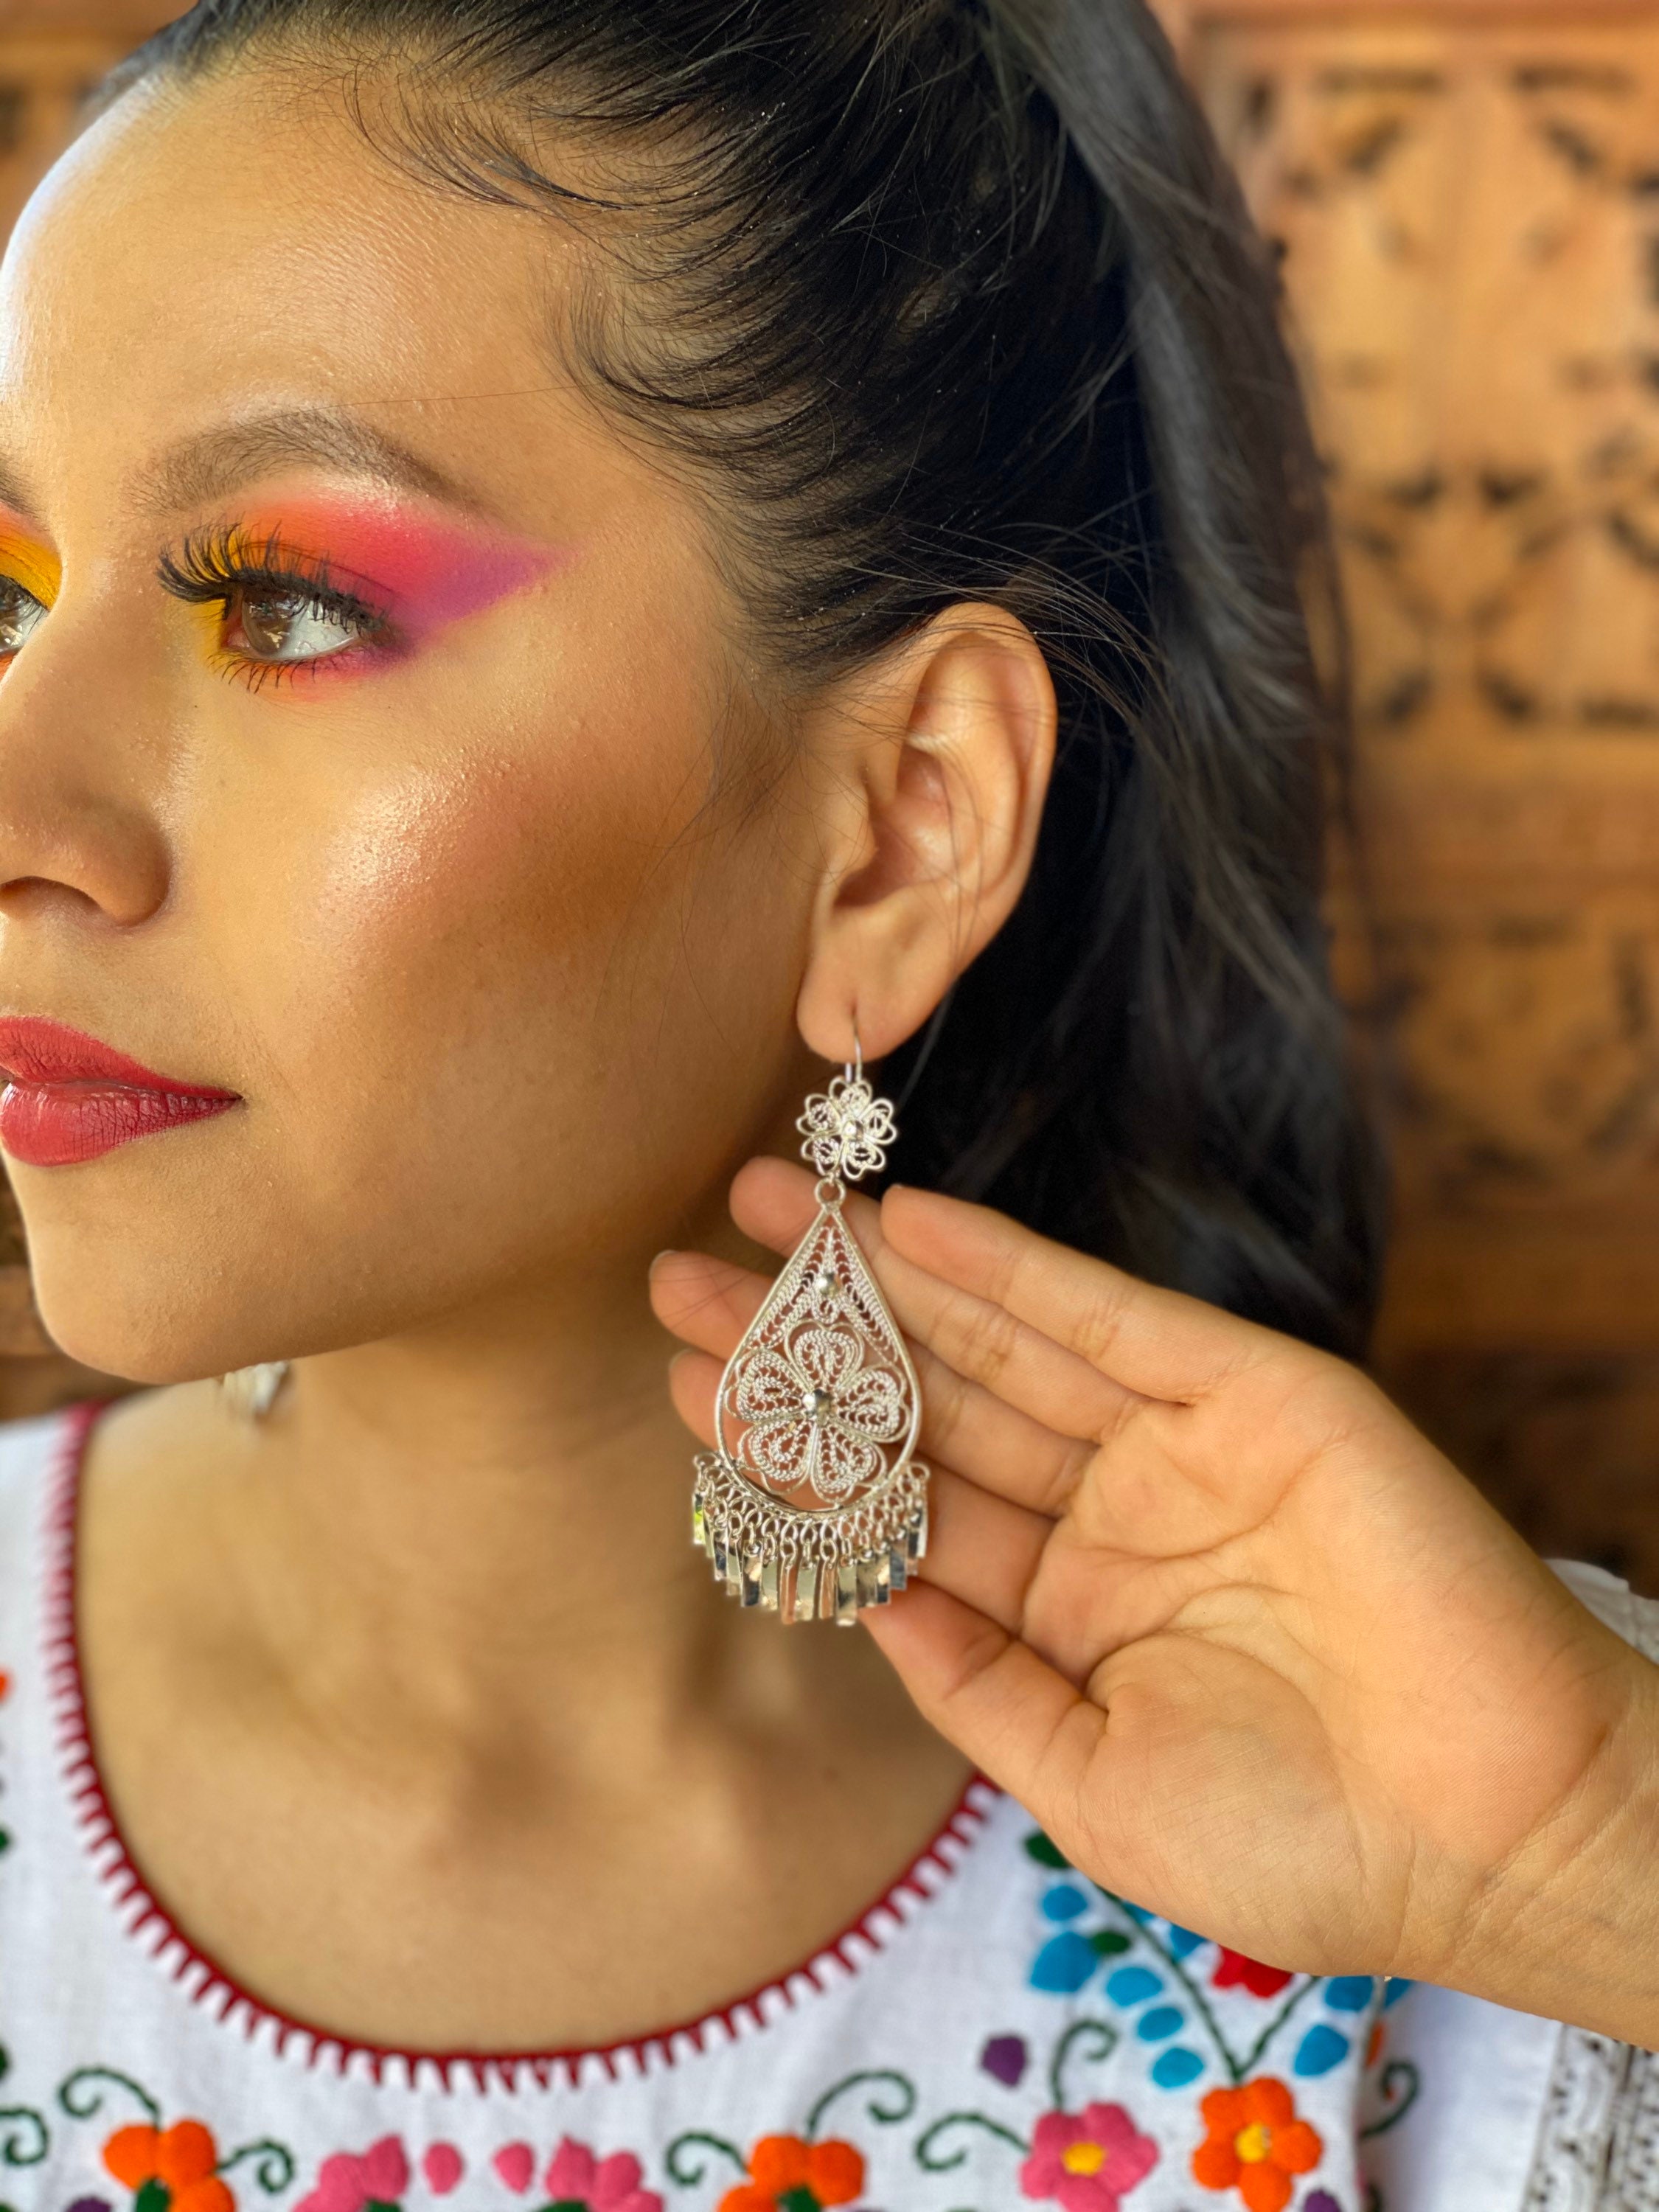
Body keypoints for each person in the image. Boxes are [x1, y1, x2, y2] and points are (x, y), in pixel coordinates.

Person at [0, 2, 1650, 2210]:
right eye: (9, 595)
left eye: (286, 607)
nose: (22, 795)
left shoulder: (1475, 1878)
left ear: (896, 834)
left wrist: (1590, 1867)